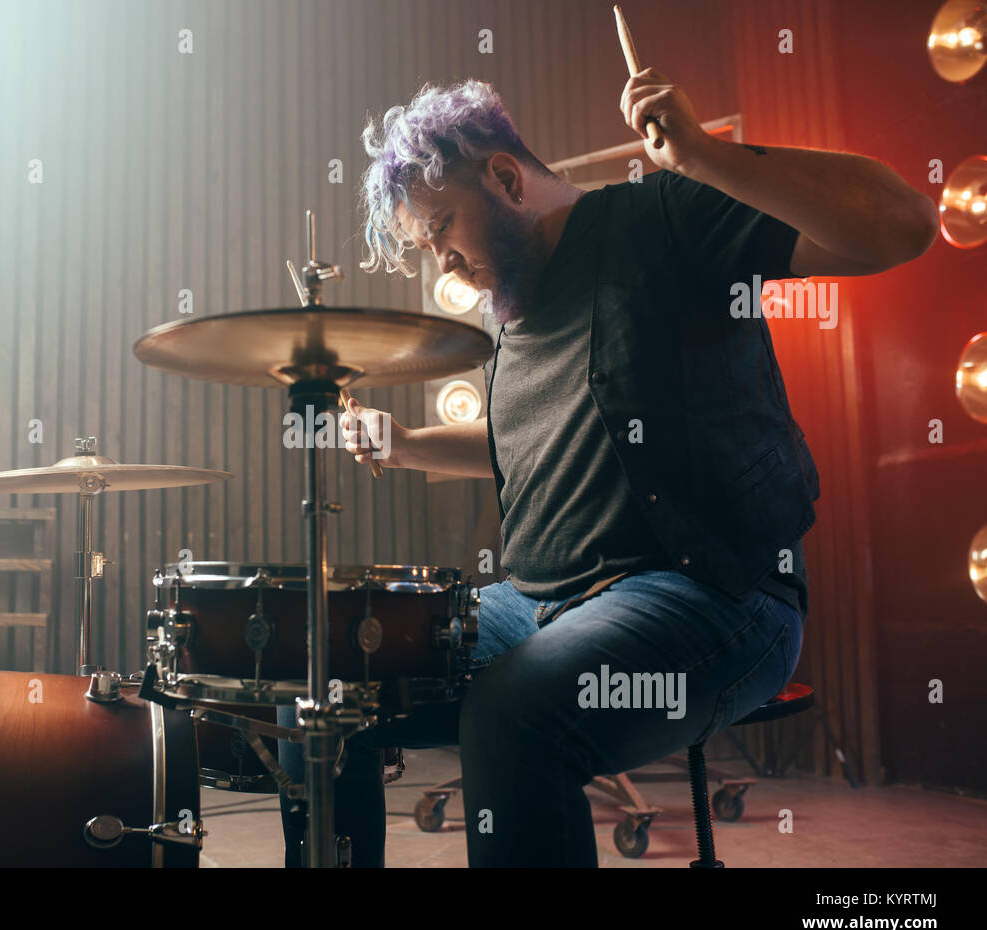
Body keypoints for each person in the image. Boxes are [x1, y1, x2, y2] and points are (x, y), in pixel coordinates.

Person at [278, 72, 938, 867]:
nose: (446, 264)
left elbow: (901, 223)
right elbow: (518, 441)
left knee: (513, 711)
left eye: (444, 228)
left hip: (712, 595)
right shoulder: (513, 317)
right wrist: (408, 443)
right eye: (428, 247)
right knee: (322, 676)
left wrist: (704, 156)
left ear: (506, 178)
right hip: (538, 603)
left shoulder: (662, 217)